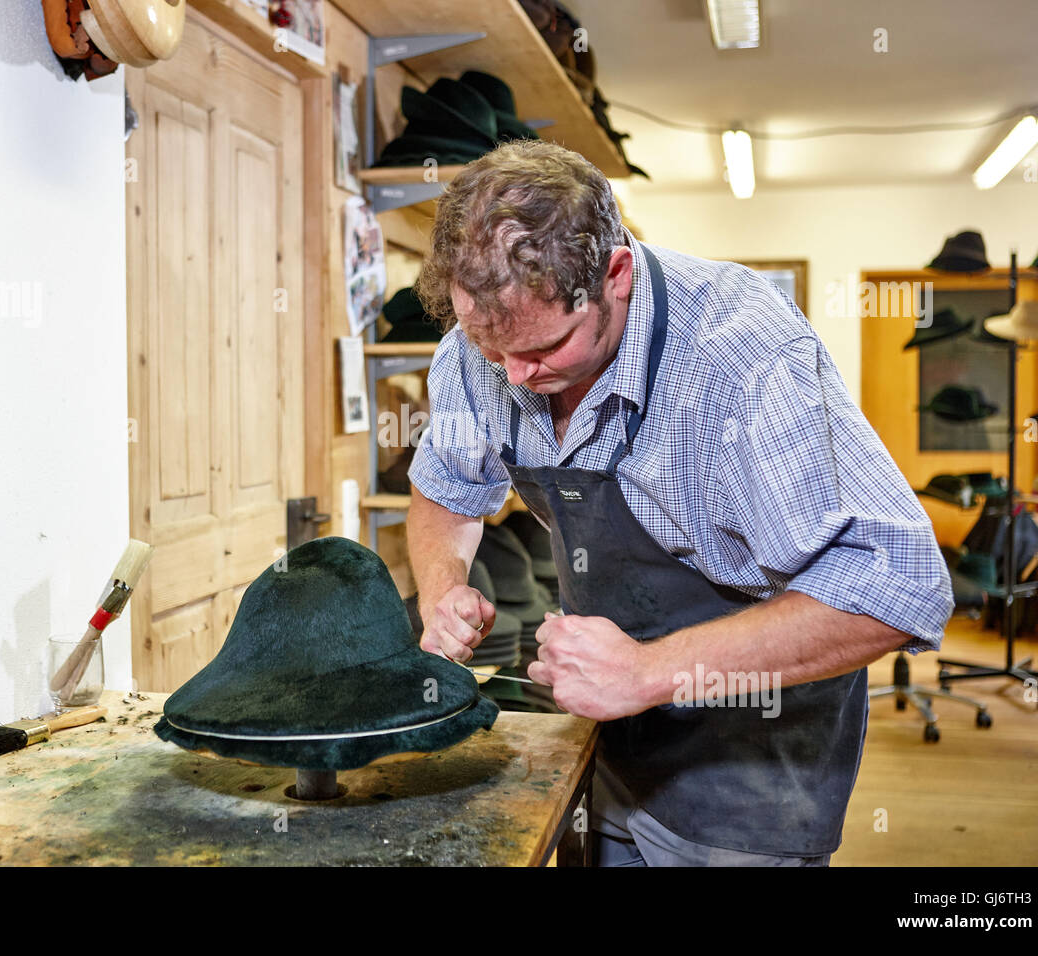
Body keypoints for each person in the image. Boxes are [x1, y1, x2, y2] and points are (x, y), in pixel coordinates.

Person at [405, 140, 953, 866]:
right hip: (602, 732)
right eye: (486, 346)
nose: (513, 376)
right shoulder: (486, 350)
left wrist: (647, 673)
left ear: (616, 275)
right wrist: (443, 589)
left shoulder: (744, 359)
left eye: (544, 349)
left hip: (751, 756)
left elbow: (895, 588)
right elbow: (445, 488)